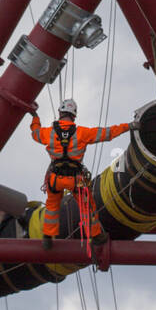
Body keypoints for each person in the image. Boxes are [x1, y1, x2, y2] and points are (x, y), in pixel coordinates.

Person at [30, 99, 130, 247]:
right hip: (76, 179)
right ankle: (96, 236)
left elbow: (35, 133)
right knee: (87, 207)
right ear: (74, 115)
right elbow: (107, 133)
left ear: (60, 112)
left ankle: (48, 237)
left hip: (55, 178)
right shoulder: (82, 133)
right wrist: (128, 126)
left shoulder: (48, 133)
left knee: (52, 207)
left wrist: (35, 117)